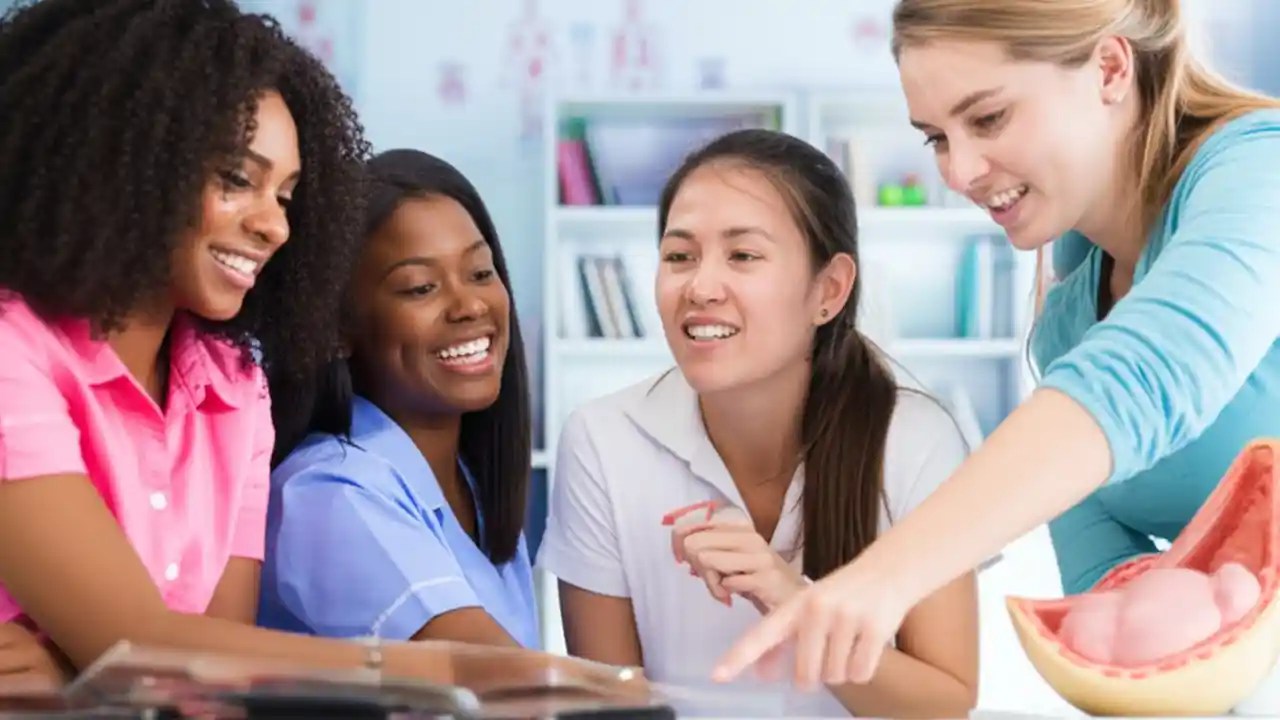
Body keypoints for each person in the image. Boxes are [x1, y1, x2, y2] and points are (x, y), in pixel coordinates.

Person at [0, 0, 583, 689]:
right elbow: (149, 645)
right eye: (239, 179)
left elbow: (206, 664)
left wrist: (84, 664)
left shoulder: (237, 387)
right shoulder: (17, 355)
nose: (274, 226)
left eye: (288, 195)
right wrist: (453, 669)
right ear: (128, 159)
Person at [714, 0, 1280, 698]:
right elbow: (1108, 607)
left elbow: (1157, 370)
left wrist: (887, 576)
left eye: (987, 119)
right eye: (936, 138)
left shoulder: (1261, 171)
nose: (958, 171)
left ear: (1109, 67)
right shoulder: (1067, 329)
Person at [537, 128, 980, 718]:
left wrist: (790, 601)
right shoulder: (603, 438)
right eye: (679, 256)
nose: (700, 286)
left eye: (743, 255)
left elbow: (944, 705)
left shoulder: (915, 438)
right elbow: (609, 705)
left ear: (830, 290)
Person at [257, 149, 540, 651]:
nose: (470, 306)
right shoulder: (328, 491)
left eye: (480, 273)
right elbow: (499, 679)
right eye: (420, 288)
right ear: (338, 328)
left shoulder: (476, 484)